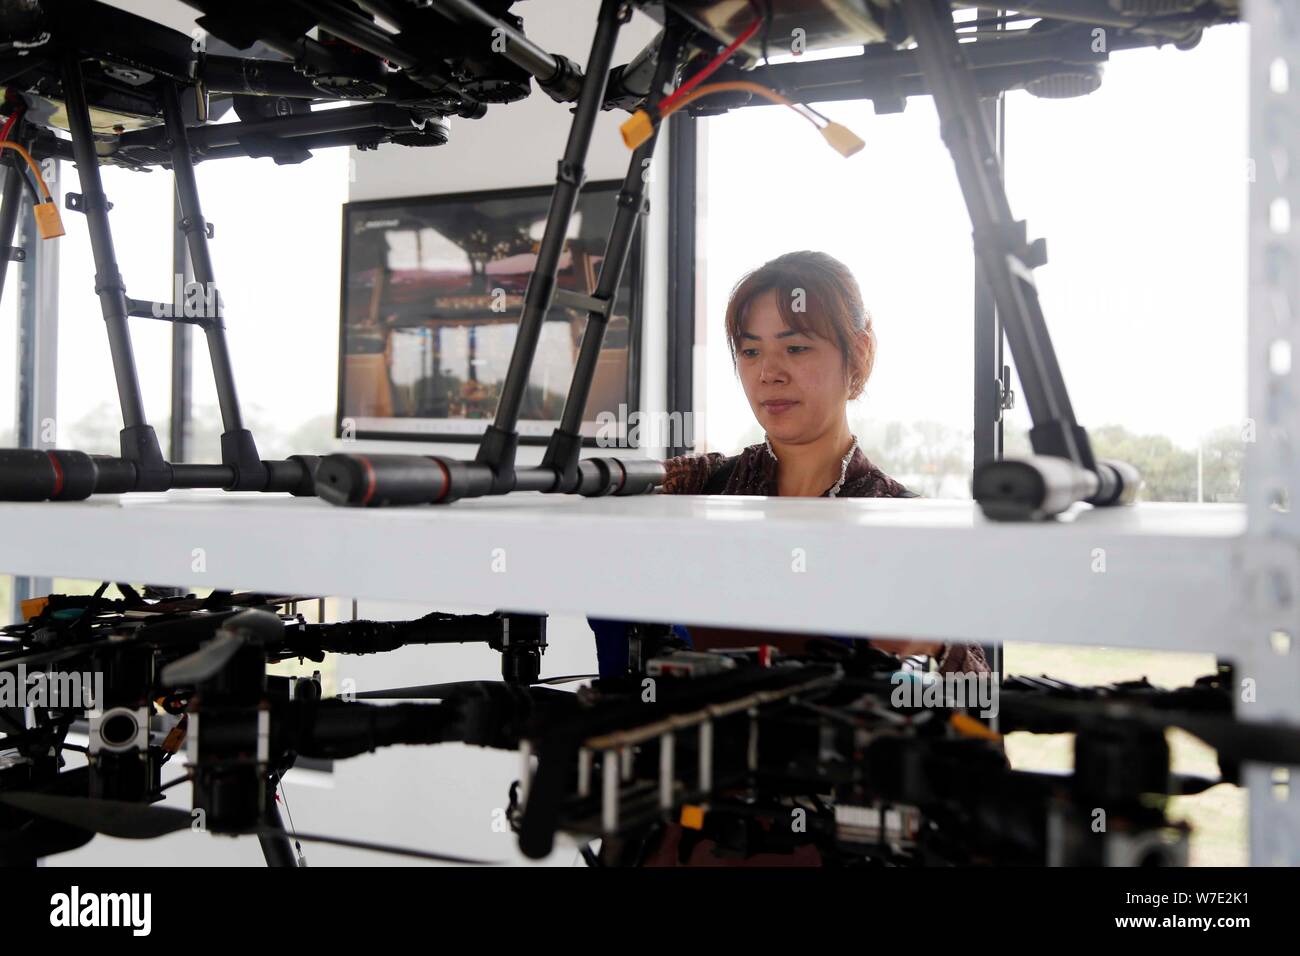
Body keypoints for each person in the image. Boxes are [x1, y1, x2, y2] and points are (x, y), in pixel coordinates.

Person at [591, 249, 989, 677]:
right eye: (750, 352)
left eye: (796, 347)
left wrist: (932, 645)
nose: (769, 373)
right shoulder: (704, 487)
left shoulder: (903, 521)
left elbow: (981, 698)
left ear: (857, 353)